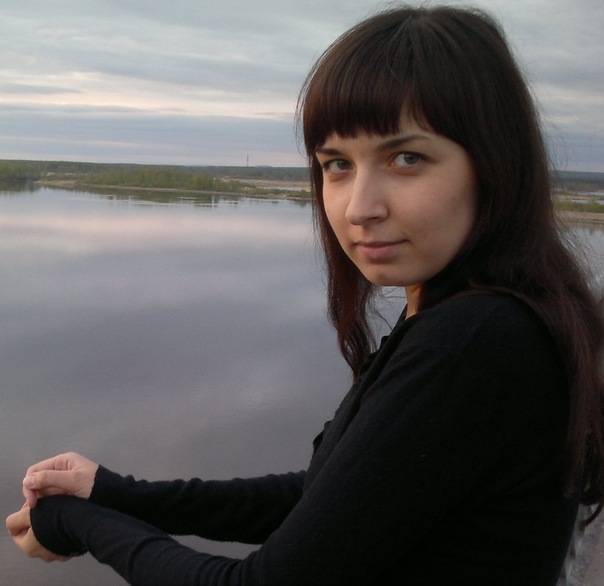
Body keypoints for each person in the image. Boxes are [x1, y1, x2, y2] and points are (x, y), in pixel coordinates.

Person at [6, 5, 604, 585]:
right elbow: (330, 502)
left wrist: (81, 524)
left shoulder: (470, 346)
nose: (359, 207)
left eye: (407, 157)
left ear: (495, 166)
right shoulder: (490, 315)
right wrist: (114, 494)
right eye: (336, 164)